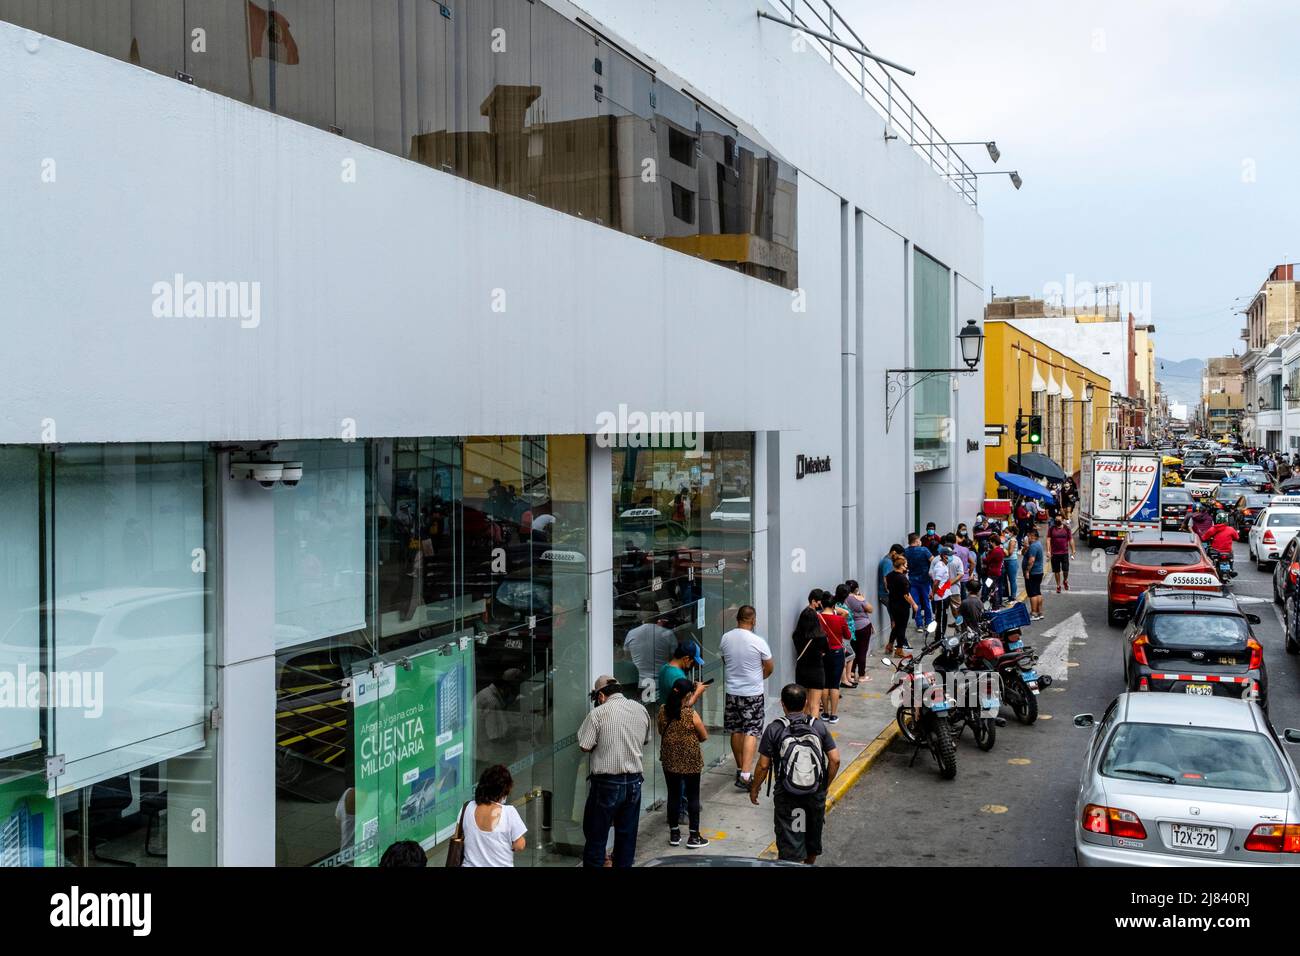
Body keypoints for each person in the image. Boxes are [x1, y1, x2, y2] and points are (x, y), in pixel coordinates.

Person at [750, 684, 841, 865]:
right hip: (814, 794)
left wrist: (755, 788)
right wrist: (823, 787)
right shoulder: (818, 726)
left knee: (790, 845)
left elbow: (763, 765)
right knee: (811, 843)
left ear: (782, 704)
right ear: (806, 703)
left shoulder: (774, 729)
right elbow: (835, 760)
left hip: (788, 795)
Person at [578, 676, 652, 868]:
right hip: (634, 782)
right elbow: (646, 739)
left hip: (606, 784)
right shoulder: (641, 709)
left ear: (601, 695)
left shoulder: (598, 714)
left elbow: (584, 746)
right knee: (626, 839)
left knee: (596, 837)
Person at [718, 605, 773, 791]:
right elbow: (769, 666)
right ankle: (746, 775)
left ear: (738, 619)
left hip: (732, 691)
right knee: (751, 731)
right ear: (753, 620)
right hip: (752, 693)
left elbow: (725, 660)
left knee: (736, 729)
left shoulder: (726, 638)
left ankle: (740, 767)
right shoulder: (758, 641)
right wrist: (760, 676)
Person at [657, 678, 710, 848]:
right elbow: (704, 736)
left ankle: (674, 834)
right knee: (693, 796)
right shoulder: (691, 714)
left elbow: (660, 730)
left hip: (669, 759)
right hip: (691, 761)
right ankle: (694, 836)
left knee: (673, 795)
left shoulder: (662, 711)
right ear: (687, 695)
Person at [459, 764, 528, 867]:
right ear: (503, 790)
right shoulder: (508, 812)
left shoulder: (467, 808)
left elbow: (458, 835)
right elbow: (520, 845)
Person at [792, 590, 830, 717]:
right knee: (814, 705)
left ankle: (802, 729)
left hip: (802, 668)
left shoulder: (797, 635)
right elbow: (826, 651)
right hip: (816, 669)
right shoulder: (821, 637)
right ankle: (812, 732)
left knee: (804, 704)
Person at [816, 590, 849, 723]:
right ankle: (834, 715)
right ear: (834, 605)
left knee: (824, 684)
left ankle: (825, 713)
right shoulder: (840, 619)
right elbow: (848, 636)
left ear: (822, 605)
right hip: (837, 653)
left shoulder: (817, 618)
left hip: (822, 653)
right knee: (834, 685)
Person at [884, 555, 917, 655]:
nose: (906, 566)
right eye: (905, 565)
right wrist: (914, 604)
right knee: (902, 627)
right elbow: (906, 595)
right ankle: (899, 649)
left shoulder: (889, 576)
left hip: (892, 603)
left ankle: (889, 645)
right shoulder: (903, 579)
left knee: (896, 625)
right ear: (902, 566)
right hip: (902, 606)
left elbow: (887, 587)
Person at [844, 580, 874, 683]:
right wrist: (862, 598)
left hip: (851, 628)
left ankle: (851, 672)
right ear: (856, 589)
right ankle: (862, 675)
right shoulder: (858, 598)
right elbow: (870, 609)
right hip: (863, 626)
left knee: (854, 650)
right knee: (862, 651)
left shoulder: (843, 598)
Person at [903, 533, 934, 630]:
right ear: (916, 541)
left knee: (916, 603)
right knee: (927, 601)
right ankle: (928, 622)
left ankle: (919, 624)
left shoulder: (905, 552)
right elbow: (933, 561)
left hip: (912, 580)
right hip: (925, 580)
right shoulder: (924, 550)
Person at [832, 585, 858, 689]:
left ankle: (847, 678)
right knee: (847, 656)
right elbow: (842, 616)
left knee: (849, 656)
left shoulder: (841, 603)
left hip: (848, 633)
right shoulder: (836, 604)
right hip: (843, 634)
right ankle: (845, 680)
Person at [877, 544, 904, 634]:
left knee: (895, 618)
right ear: (893, 552)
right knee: (895, 619)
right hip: (886, 595)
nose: (899, 558)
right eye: (898, 555)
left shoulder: (887, 561)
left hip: (887, 594)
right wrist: (890, 592)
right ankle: (895, 641)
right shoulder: (887, 562)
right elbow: (886, 579)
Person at [1047, 513, 1075, 593]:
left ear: (1063, 520)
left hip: (1064, 553)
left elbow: (1071, 539)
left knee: (1065, 570)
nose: (1057, 521)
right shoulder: (1051, 529)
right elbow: (1048, 539)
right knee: (1056, 571)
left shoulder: (1067, 529)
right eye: (1056, 520)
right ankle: (1058, 585)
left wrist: (1073, 550)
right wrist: (1048, 551)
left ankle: (1065, 580)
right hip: (1054, 553)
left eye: (1059, 520)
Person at [1023, 529, 1046, 621]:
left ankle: (1034, 613)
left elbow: (1031, 560)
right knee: (1037, 592)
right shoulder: (1037, 544)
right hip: (1039, 572)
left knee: (1032, 594)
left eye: (1029, 536)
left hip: (1033, 572)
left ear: (1033, 536)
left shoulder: (1033, 546)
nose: (1027, 537)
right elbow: (1024, 553)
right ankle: (1040, 612)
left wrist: (1027, 571)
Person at [984, 531, 1007, 608]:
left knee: (992, 589)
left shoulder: (995, 551)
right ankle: (997, 603)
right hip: (998, 572)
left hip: (993, 573)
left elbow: (987, 560)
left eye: (990, 542)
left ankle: (995, 605)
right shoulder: (1000, 550)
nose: (989, 543)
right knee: (996, 588)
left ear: (993, 542)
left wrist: (984, 557)